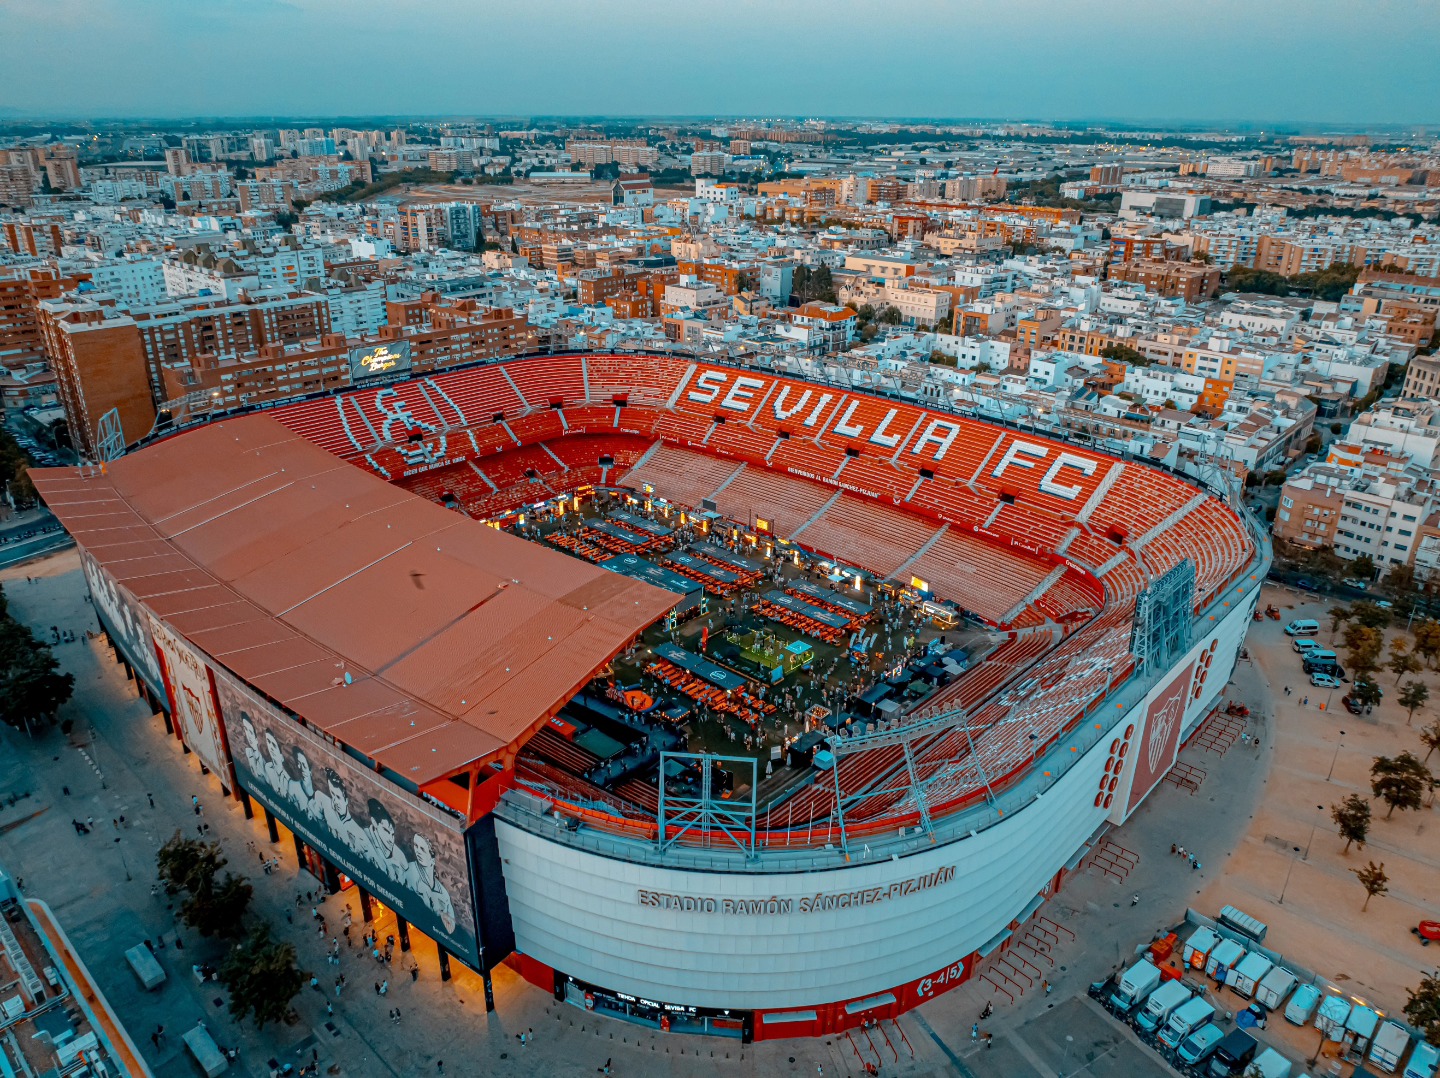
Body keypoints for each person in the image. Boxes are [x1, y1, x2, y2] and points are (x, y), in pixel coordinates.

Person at [407, 832, 457, 934]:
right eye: (416, 846)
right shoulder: (410, 869)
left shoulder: (443, 894)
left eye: (422, 849)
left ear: (433, 859)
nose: (418, 851)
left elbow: (451, 929)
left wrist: (441, 915)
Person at [364, 800, 411, 883]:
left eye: (392, 834)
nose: (390, 839)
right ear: (374, 823)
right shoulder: (364, 837)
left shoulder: (400, 857)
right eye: (386, 831)